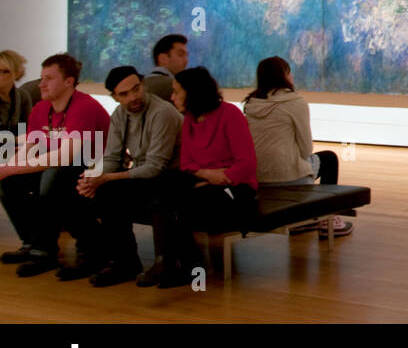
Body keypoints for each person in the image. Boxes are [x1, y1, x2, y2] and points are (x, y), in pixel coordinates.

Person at [0, 53, 111, 279]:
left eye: (49, 78)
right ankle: (34, 245)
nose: (41, 83)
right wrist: (6, 169)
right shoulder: (41, 109)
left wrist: (11, 168)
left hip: (95, 169)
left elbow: (66, 156)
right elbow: (27, 149)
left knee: (53, 177)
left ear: (69, 81)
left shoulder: (84, 106)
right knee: (10, 181)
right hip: (62, 167)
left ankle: (92, 252)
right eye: (42, 78)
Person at [75, 66, 183, 287]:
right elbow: (112, 157)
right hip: (145, 179)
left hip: (172, 179)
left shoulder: (162, 113)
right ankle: (120, 261)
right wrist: (91, 177)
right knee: (92, 190)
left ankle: (160, 264)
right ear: (115, 97)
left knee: (110, 189)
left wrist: (106, 179)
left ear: (143, 84)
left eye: (136, 89)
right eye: (124, 94)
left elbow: (155, 167)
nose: (134, 97)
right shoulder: (119, 115)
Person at [150, 67, 257, 289]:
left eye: (177, 92)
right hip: (204, 180)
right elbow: (187, 164)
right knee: (165, 184)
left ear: (193, 92)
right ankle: (171, 262)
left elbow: (246, 165)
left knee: (182, 202)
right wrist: (207, 175)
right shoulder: (189, 120)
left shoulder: (230, 114)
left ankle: (190, 268)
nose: (172, 97)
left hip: (235, 188)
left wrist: (216, 179)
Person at [244, 56, 350, 237]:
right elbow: (306, 149)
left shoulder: (250, 104)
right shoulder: (295, 102)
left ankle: (300, 220)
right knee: (329, 159)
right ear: (284, 75)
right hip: (289, 178)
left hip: (257, 178)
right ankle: (328, 218)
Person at [0, 50, 36, 139]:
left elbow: (24, 130)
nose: (0, 75)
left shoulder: (22, 97)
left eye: (5, 71)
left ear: (16, 73)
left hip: (15, 149)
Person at [143, 34, 188, 101]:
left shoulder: (142, 84)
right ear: (163, 58)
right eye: (180, 54)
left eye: (186, 55)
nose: (186, 60)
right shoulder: (174, 87)